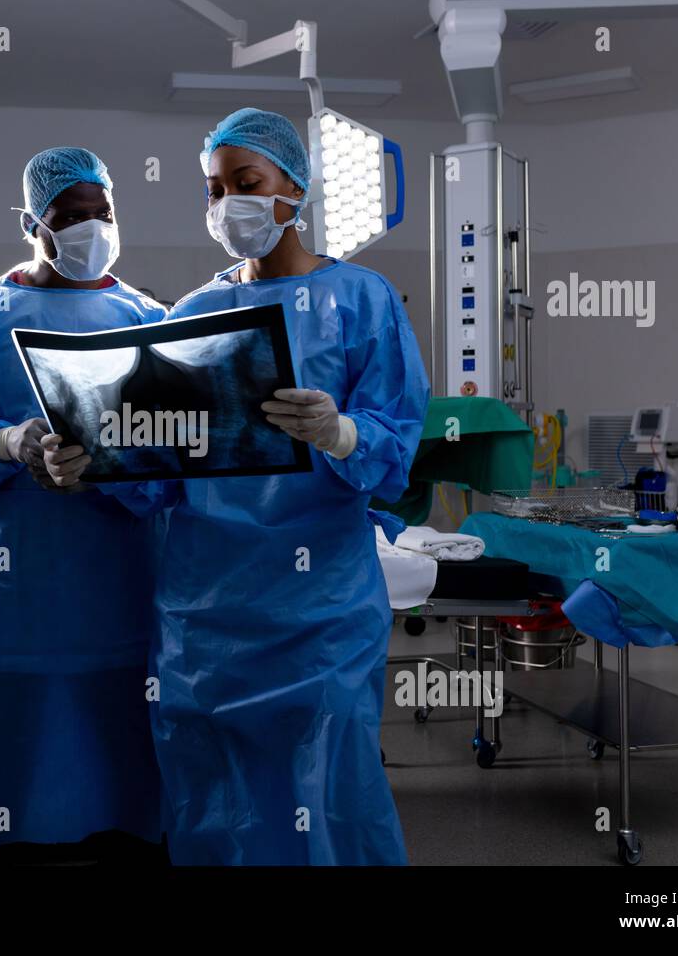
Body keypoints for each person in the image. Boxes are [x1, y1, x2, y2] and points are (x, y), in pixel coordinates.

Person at [43, 109, 430, 865]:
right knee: (211, 801)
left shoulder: (362, 301)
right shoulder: (190, 317)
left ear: (296, 188)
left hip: (317, 613)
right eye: (214, 189)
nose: (227, 204)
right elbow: (159, 482)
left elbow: (394, 452)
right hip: (205, 617)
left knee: (325, 791)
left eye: (245, 183)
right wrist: (98, 464)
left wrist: (343, 433)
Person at [0, 147, 166, 864]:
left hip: (115, 593)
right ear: (31, 225)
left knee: (121, 772)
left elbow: (174, 465)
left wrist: (106, 473)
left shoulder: (148, 319)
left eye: (100, 213)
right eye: (68, 217)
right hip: (6, 598)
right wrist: (8, 443)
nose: (89, 227)